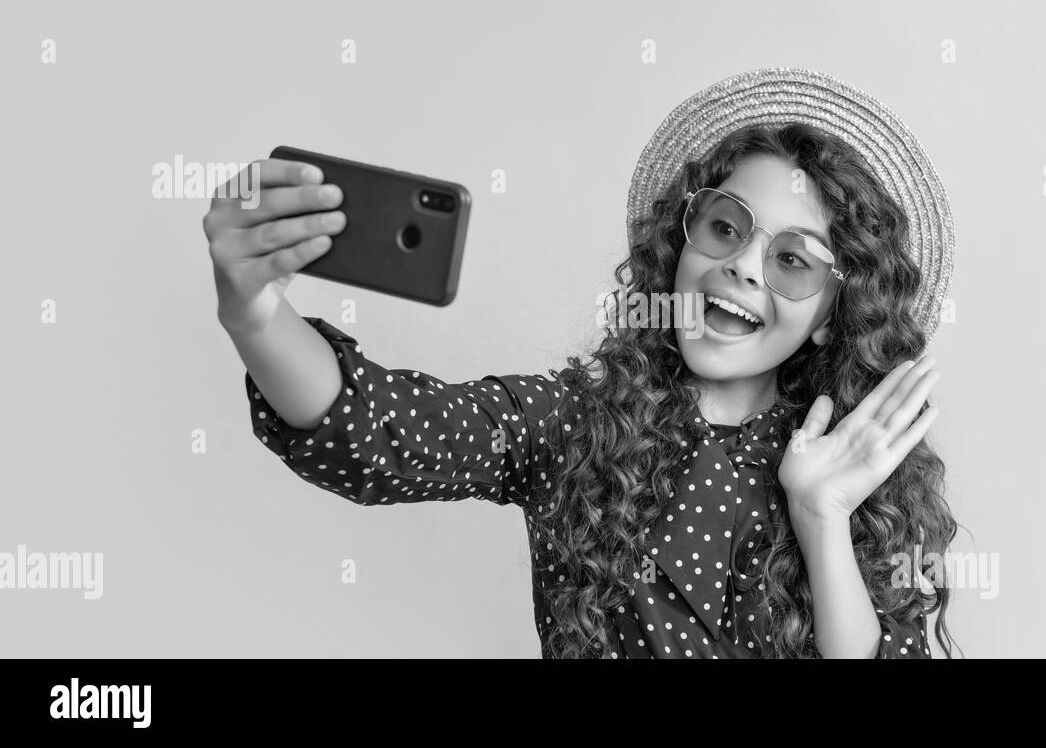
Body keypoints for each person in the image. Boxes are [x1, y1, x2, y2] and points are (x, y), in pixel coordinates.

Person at [205, 68, 960, 659]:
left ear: (833, 318)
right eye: (726, 227)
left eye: (794, 260)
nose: (746, 268)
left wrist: (820, 516)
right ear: (682, 245)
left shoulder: (855, 478)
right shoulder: (577, 424)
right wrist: (256, 314)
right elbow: (378, 430)